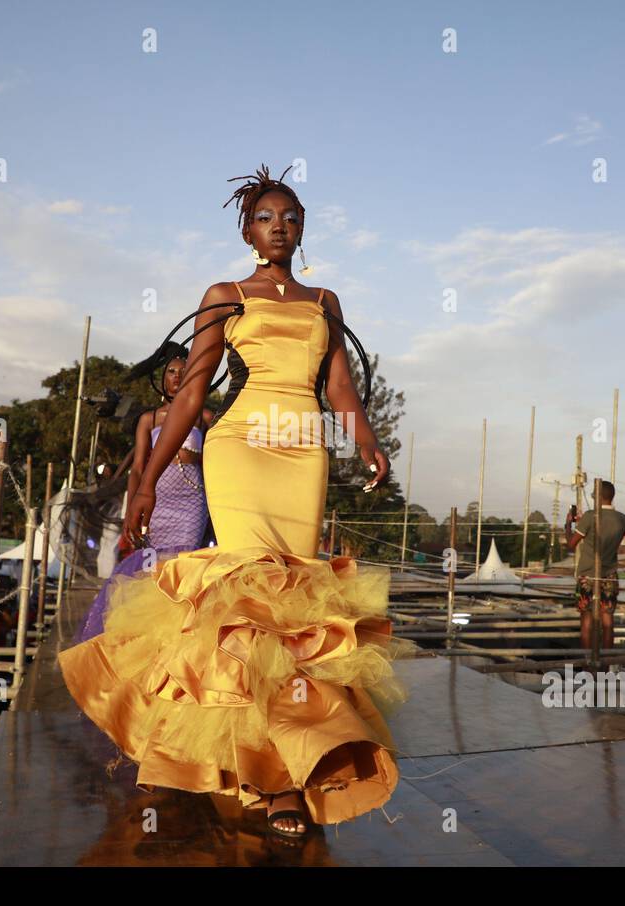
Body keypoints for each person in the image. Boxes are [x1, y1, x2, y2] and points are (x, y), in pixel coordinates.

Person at [57, 165, 404, 840]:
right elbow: (191, 394)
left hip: (302, 451)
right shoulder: (225, 294)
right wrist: (147, 481)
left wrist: (366, 443)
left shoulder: (325, 300)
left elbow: (340, 387)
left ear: (303, 230)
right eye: (268, 218)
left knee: (297, 611)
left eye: (292, 217)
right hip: (242, 445)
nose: (281, 227)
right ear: (248, 230)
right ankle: (267, 781)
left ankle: (288, 762)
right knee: (248, 604)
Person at [74, 354, 214, 644]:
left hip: (192, 497)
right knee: (154, 564)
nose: (177, 376)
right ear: (162, 379)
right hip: (157, 497)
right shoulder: (148, 419)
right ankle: (152, 636)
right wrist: (132, 508)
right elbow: (138, 467)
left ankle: (180, 634)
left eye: (183, 372)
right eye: (171, 371)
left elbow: (213, 466)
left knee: (186, 560)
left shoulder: (205, 416)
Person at [564, 482, 625, 652]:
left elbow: (571, 544)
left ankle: (587, 664)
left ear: (598, 496)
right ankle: (605, 664)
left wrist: (568, 525)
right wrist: (585, 522)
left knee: (586, 622)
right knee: (607, 622)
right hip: (609, 574)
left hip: (587, 575)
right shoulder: (622, 519)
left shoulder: (589, 517)